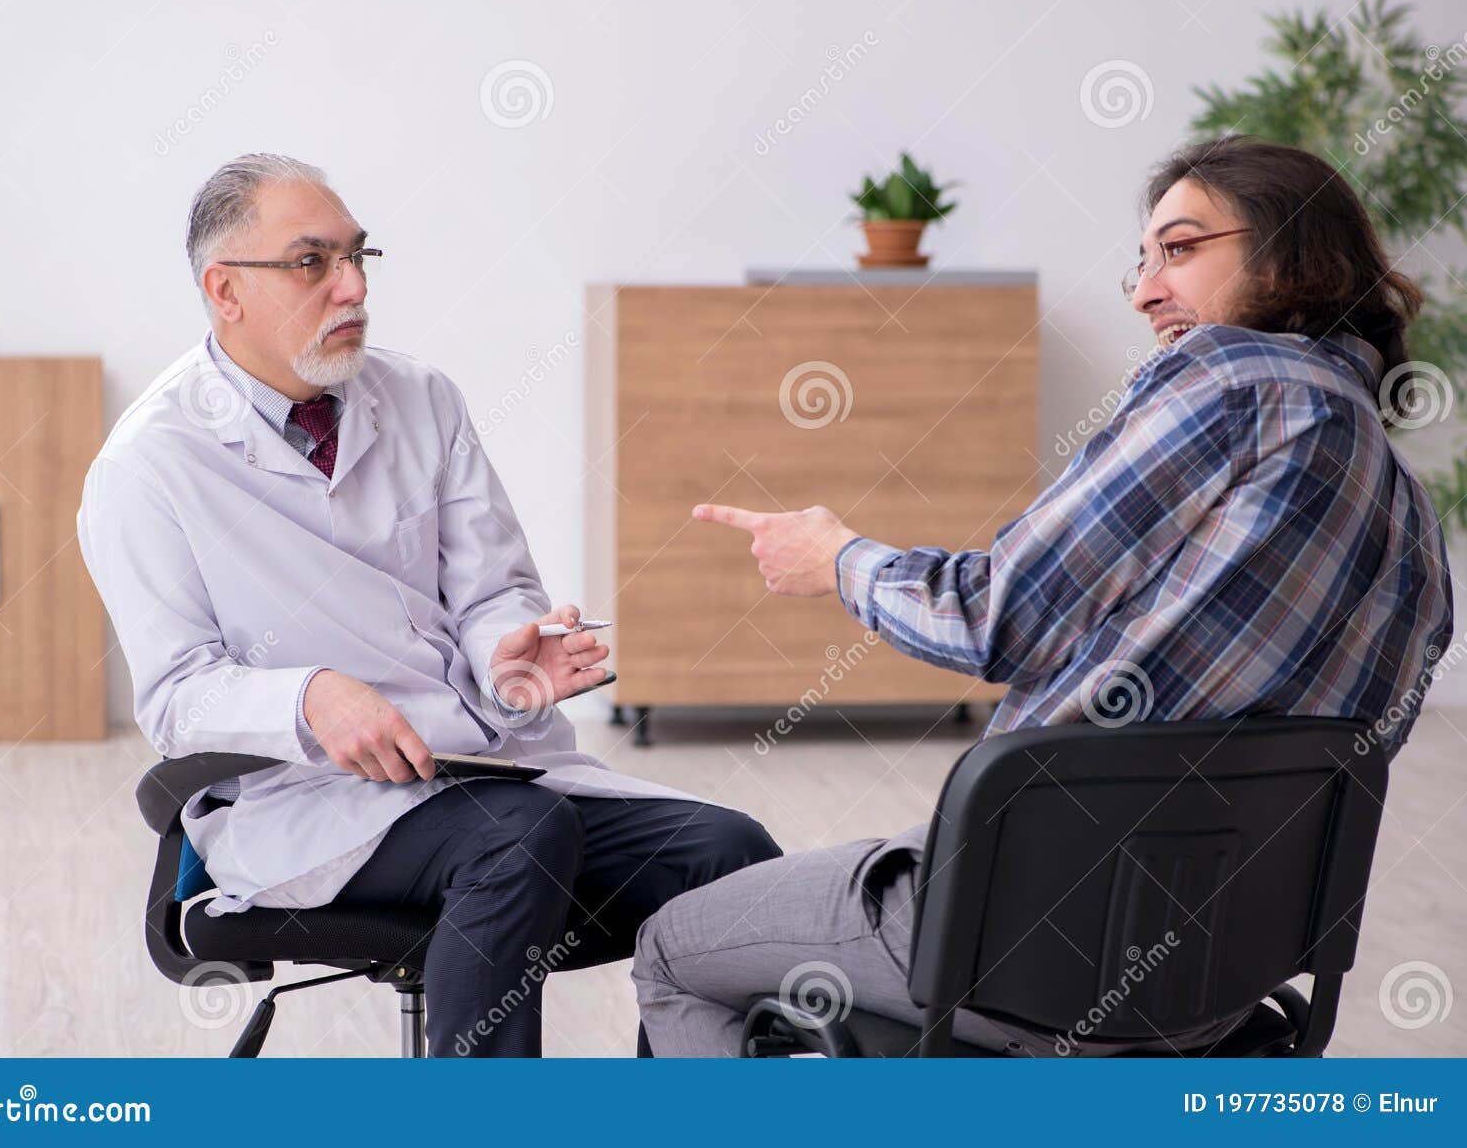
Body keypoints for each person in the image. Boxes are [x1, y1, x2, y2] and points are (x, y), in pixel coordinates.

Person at [632, 135, 1454, 1057]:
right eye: (1140, 264)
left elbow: (994, 620)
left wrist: (836, 558)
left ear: (1296, 250)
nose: (1146, 292)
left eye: (1179, 250)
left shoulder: (1231, 381)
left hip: (1030, 949)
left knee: (672, 943)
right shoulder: (1414, 522)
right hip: (1216, 982)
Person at [76, 153, 779, 1057]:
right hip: (311, 797)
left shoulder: (421, 400)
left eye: (359, 256)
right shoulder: (149, 464)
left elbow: (494, 588)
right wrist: (310, 698)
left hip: (478, 762)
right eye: (313, 262)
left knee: (726, 853)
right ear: (225, 290)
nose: (353, 286)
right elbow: (176, 695)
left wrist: (505, 655)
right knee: (520, 837)